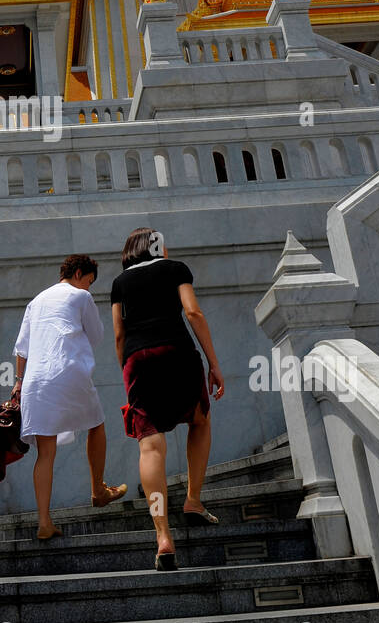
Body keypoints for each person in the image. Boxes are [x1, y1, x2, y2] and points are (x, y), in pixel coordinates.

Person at [111, 228, 224, 570]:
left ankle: (163, 535)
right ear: (156, 247)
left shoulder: (119, 283)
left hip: (137, 359)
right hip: (177, 353)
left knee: (150, 445)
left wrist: (126, 369)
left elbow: (119, 333)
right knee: (199, 420)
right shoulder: (175, 268)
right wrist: (213, 364)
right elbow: (193, 313)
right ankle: (192, 500)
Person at [13, 255, 127, 540]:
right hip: (67, 372)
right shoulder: (80, 297)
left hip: (34, 383)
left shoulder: (36, 301)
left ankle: (44, 521)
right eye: (88, 282)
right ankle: (98, 489)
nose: (88, 288)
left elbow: (22, 349)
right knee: (96, 423)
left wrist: (17, 382)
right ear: (79, 274)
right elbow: (97, 335)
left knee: (45, 453)